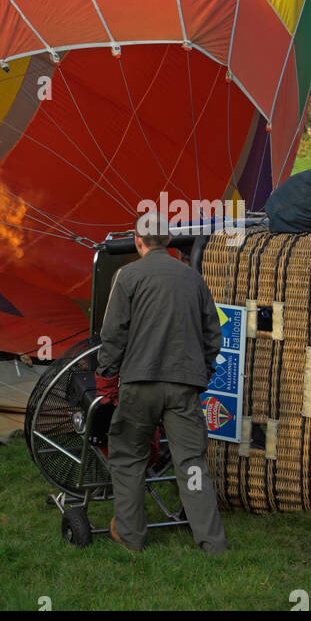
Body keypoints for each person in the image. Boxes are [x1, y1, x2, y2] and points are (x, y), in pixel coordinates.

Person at [95, 221, 228, 555]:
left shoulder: (126, 276)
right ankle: (212, 543)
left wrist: (106, 379)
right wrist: (203, 369)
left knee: (128, 458)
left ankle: (130, 536)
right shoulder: (193, 278)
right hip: (184, 386)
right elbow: (213, 333)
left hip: (139, 385)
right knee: (192, 463)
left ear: (137, 240)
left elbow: (113, 334)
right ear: (168, 239)